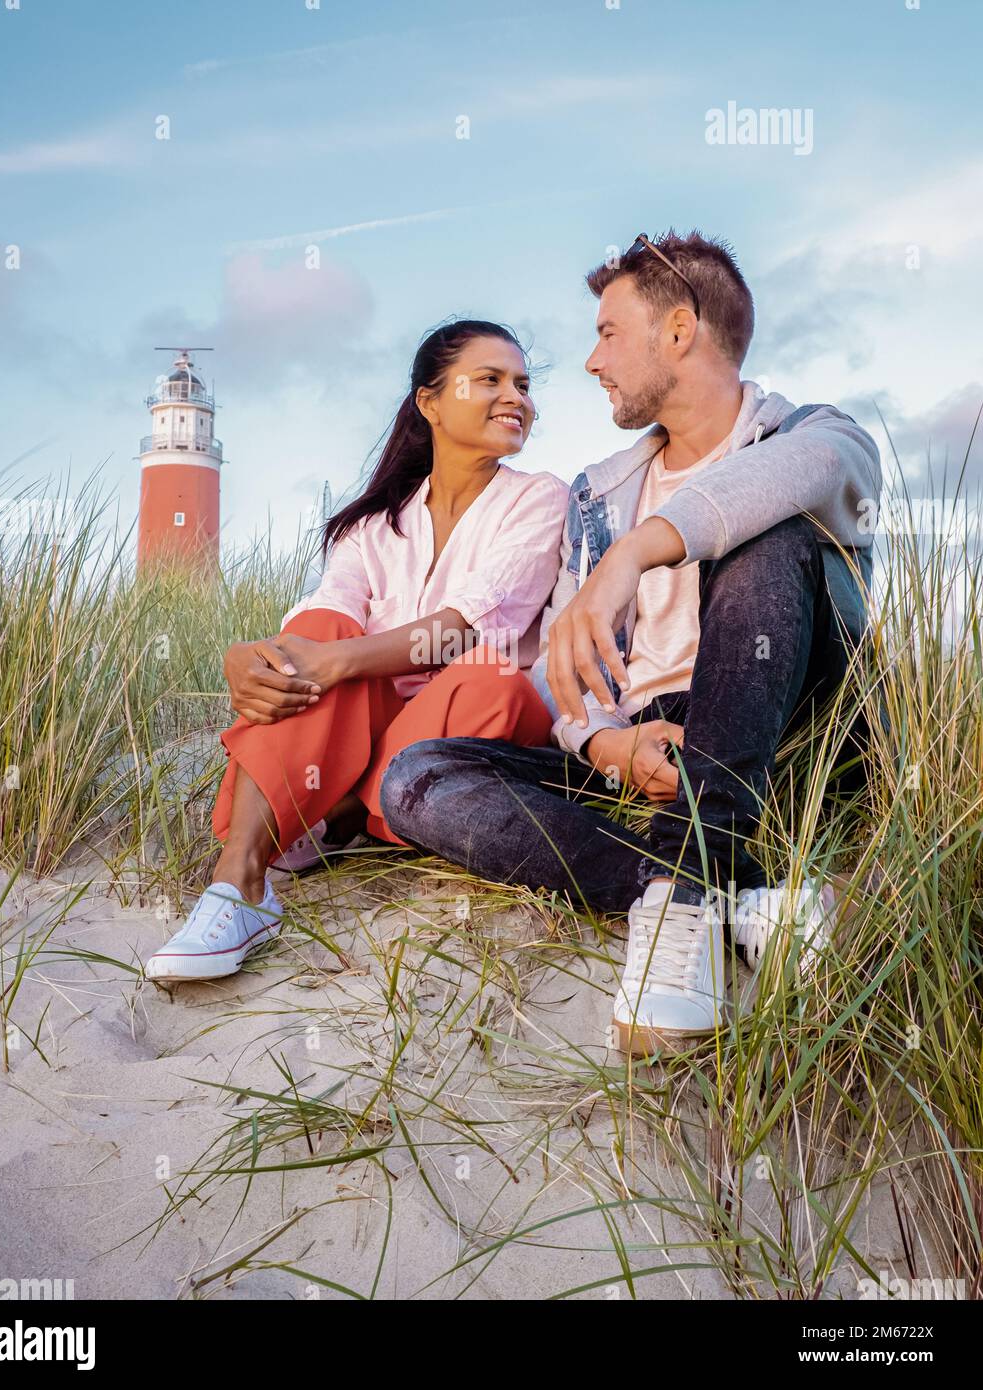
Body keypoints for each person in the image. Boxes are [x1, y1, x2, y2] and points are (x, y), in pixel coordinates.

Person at [378, 230, 882, 1055]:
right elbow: (563, 675)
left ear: (677, 332)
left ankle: (685, 894)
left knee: (762, 538)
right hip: (650, 751)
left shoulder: (814, 436)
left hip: (787, 739)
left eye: (607, 333)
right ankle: (735, 891)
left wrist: (636, 551)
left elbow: (809, 475)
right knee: (418, 777)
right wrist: (611, 747)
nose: (589, 361)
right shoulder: (597, 493)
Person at [144, 319, 569, 984]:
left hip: (464, 733)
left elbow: (462, 628)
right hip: (368, 733)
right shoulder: (371, 526)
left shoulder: (538, 499)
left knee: (486, 676)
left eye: (521, 383)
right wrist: (246, 657)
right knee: (319, 623)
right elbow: (321, 621)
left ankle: (340, 811)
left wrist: (331, 662)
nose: (515, 396)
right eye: (489, 379)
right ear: (429, 401)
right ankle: (239, 885)